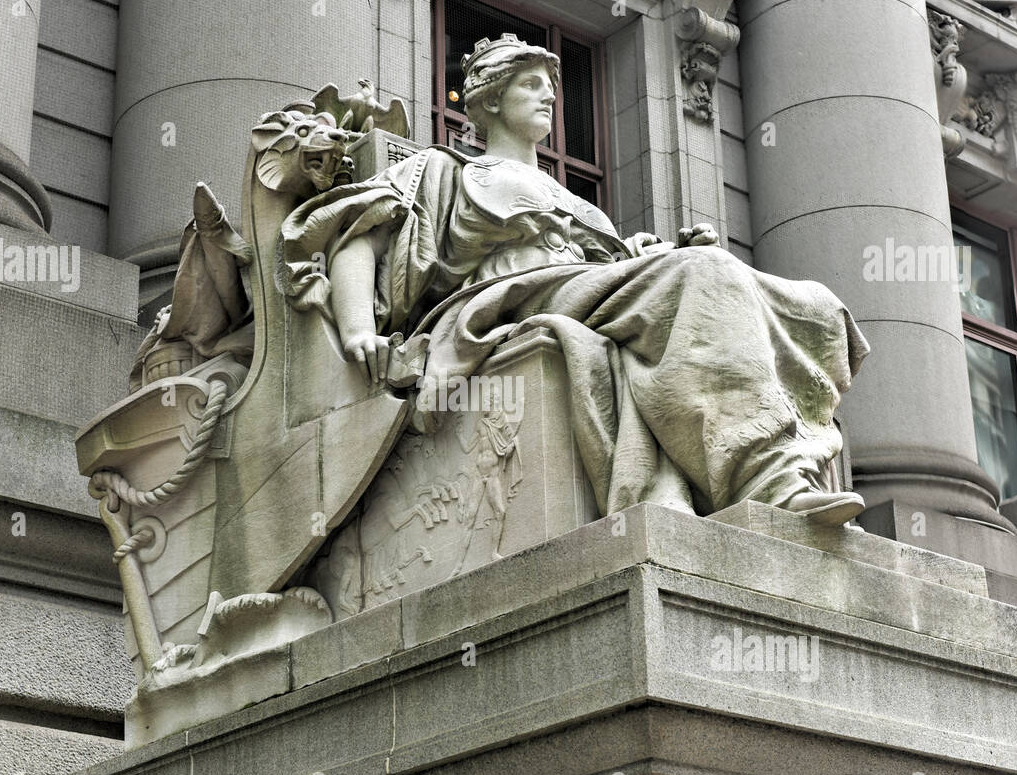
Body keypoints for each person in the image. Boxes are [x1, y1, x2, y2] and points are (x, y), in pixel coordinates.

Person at [279, 34, 869, 525]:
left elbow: (612, 268)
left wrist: (650, 253)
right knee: (703, 274)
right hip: (508, 297)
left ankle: (779, 458)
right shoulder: (443, 169)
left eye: (551, 88)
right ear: (486, 99)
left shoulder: (578, 203)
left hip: (590, 292)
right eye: (529, 84)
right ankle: (770, 481)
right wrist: (358, 328)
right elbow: (358, 234)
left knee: (813, 304)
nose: (548, 97)